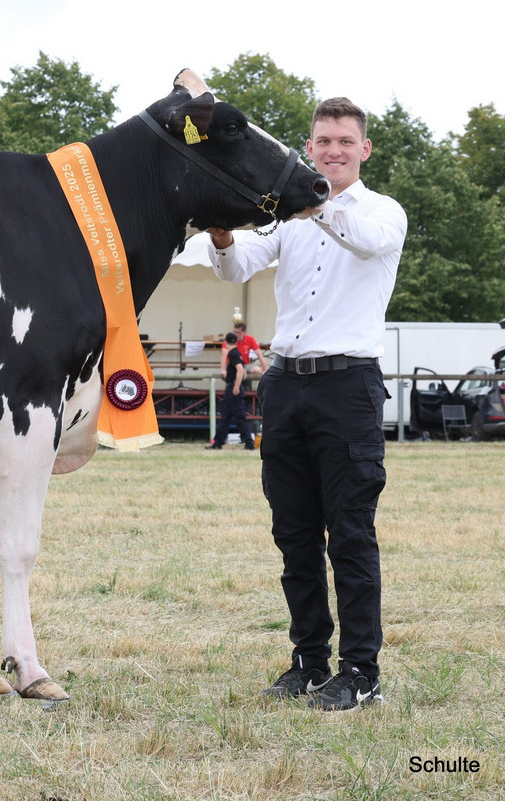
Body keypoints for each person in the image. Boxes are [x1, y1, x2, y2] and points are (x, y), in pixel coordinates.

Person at [207, 98, 407, 711]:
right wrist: (219, 232)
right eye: (323, 141)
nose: (334, 151)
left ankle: (361, 670)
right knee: (294, 535)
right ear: (311, 145)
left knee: (349, 533)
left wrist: (309, 199)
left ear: (364, 149)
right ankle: (308, 661)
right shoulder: (288, 217)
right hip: (286, 383)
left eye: (345, 141)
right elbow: (237, 265)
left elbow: (365, 244)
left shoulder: (383, 213)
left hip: (348, 387)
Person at [206, 332, 255, 450]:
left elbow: (239, 369)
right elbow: (242, 370)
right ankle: (218, 442)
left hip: (233, 389)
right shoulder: (238, 353)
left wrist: (236, 387)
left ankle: (249, 443)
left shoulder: (232, 353)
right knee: (227, 416)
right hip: (233, 388)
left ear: (226, 342)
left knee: (238, 417)